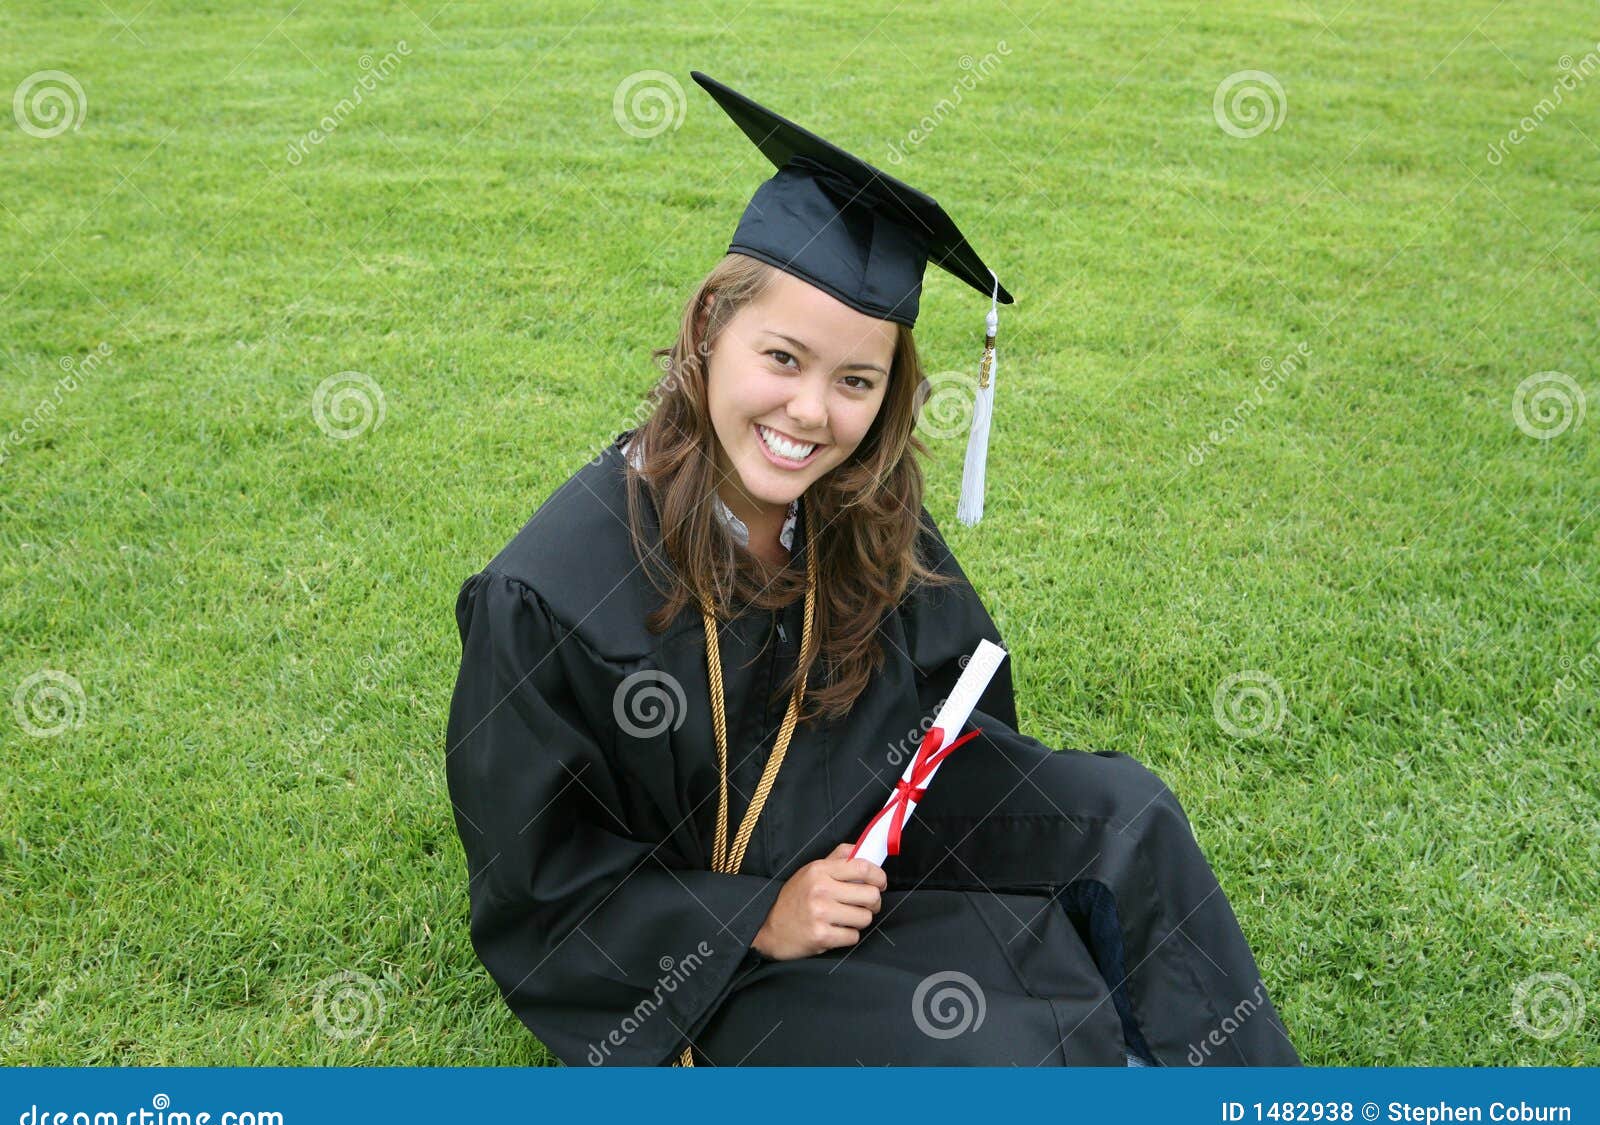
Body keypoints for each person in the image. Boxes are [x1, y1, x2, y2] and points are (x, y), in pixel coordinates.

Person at [443, 71, 1301, 1067]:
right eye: (782, 358)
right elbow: (541, 889)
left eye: (855, 380)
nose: (811, 412)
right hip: (721, 953)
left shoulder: (856, 505)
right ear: (709, 328)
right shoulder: (553, 592)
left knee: (1126, 817)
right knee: (1006, 1034)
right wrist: (760, 914)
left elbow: (957, 703)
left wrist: (949, 826)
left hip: (875, 844)